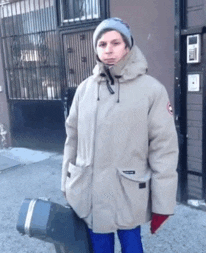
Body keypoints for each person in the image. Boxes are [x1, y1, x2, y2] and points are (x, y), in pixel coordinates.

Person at [61, 17, 179, 253]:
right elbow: (71, 138)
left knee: (132, 245)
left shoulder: (151, 90)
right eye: (102, 44)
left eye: (115, 42)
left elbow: (163, 148)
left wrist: (163, 203)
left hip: (128, 192)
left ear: (128, 45)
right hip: (90, 192)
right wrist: (67, 182)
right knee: (98, 247)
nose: (109, 50)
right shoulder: (84, 89)